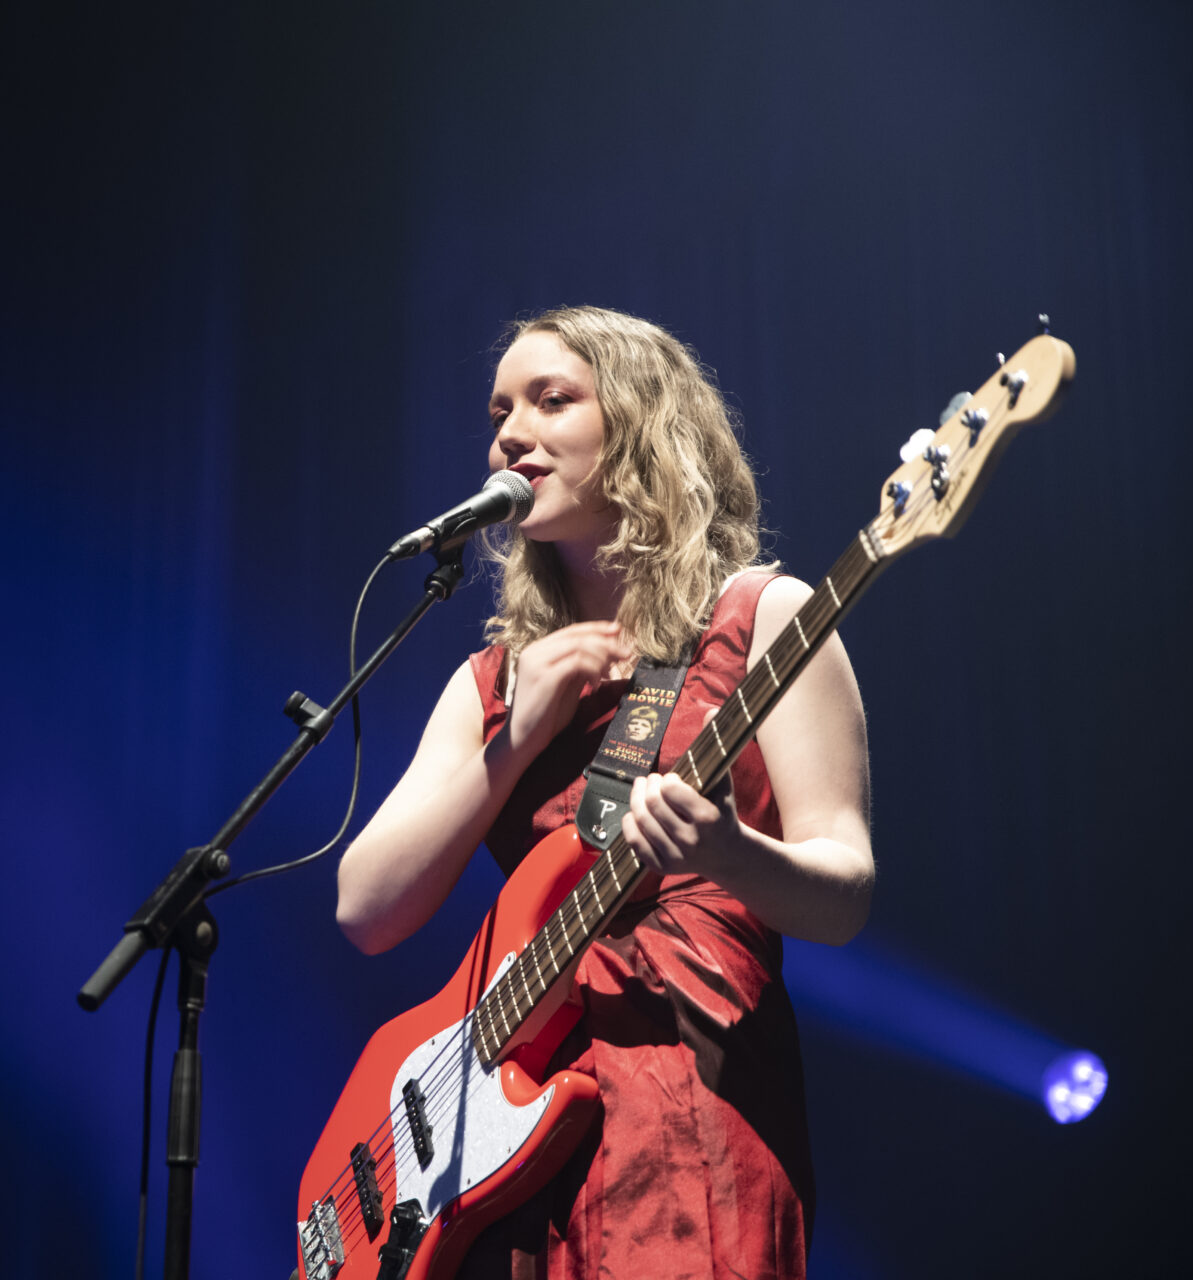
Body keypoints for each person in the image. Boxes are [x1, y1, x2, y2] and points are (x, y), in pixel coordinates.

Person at [334, 306, 873, 1279]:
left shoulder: (765, 617)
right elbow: (366, 905)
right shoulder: (494, 682)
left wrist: (727, 853)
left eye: (551, 399)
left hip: (689, 1124)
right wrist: (516, 738)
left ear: (638, 420)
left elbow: (845, 887)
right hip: (503, 1169)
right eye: (499, 410)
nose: (509, 431)